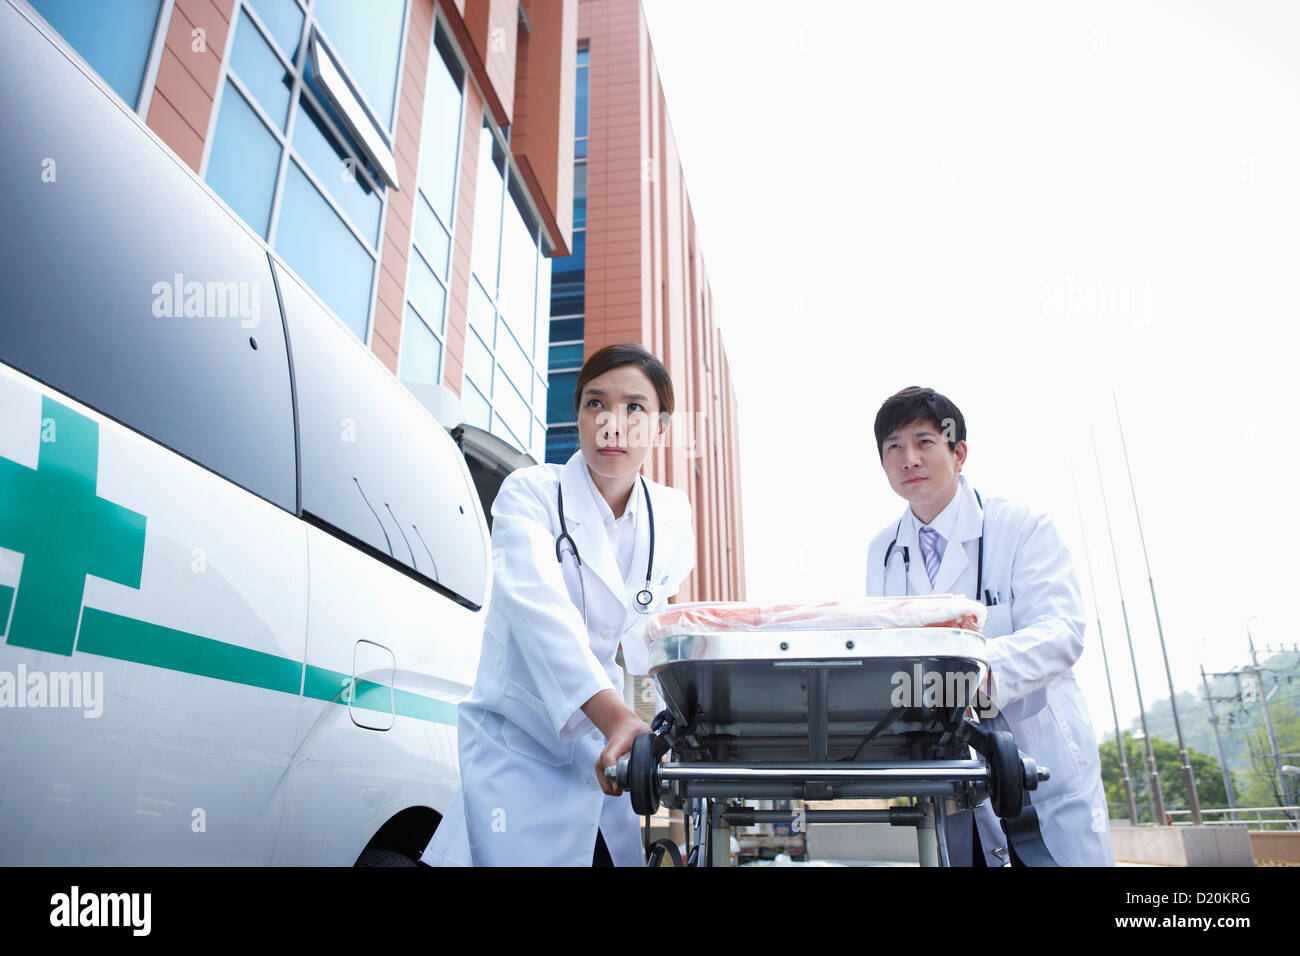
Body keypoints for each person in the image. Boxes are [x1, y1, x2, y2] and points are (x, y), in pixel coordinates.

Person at [422, 344, 695, 866]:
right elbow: (539, 614)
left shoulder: (673, 517)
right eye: (596, 404)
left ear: (660, 428)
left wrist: (658, 729)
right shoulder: (529, 495)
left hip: (609, 749)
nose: (612, 424)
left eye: (634, 407)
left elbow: (645, 646)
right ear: (578, 419)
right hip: (522, 744)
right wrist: (618, 720)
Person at [865, 386, 1113, 866]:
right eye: (893, 447)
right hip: (948, 769)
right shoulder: (883, 550)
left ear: (959, 453)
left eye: (924, 442)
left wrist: (975, 674)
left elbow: (1062, 630)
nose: (909, 459)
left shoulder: (1021, 527)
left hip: (1037, 755)